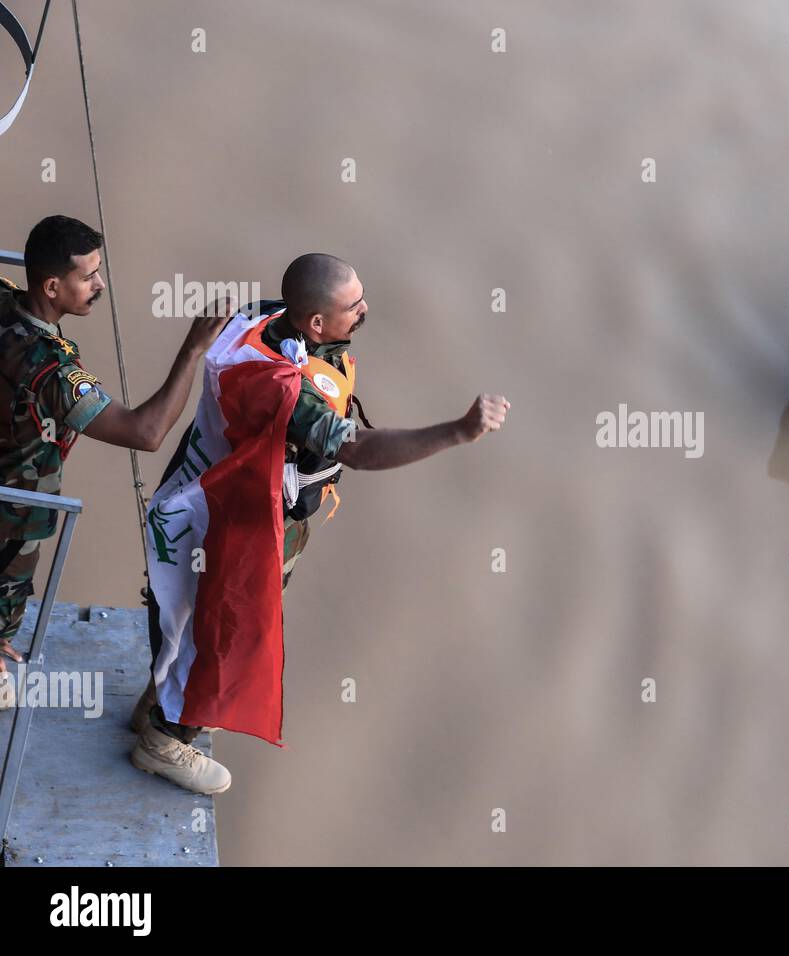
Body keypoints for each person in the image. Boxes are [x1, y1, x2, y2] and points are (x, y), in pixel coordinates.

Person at [128, 253, 510, 795]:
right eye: (354, 306)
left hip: (202, 489)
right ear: (313, 323)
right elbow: (357, 449)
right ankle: (164, 741)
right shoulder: (286, 392)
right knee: (231, 629)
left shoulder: (260, 318)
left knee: (188, 605)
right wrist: (458, 431)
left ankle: (158, 700)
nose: (364, 311)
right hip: (246, 521)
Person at [0, 216, 226, 709]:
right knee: (9, 580)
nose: (100, 285)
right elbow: (144, 432)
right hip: (14, 497)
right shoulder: (52, 370)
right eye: (88, 277)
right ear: (53, 286)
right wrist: (193, 350)